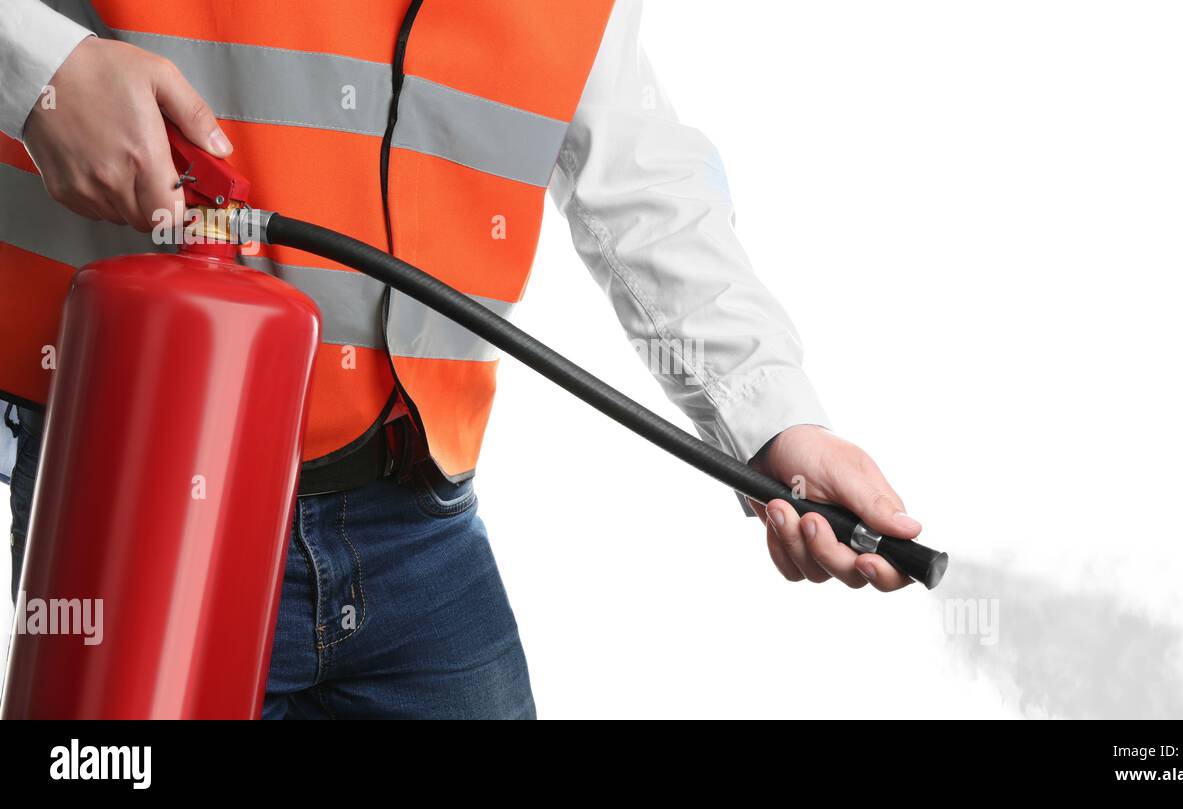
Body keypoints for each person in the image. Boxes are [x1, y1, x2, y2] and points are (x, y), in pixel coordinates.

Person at [0, 0, 925, 718]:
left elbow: (636, 176)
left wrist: (776, 420)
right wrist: (36, 69)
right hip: (144, 499)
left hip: (417, 519)